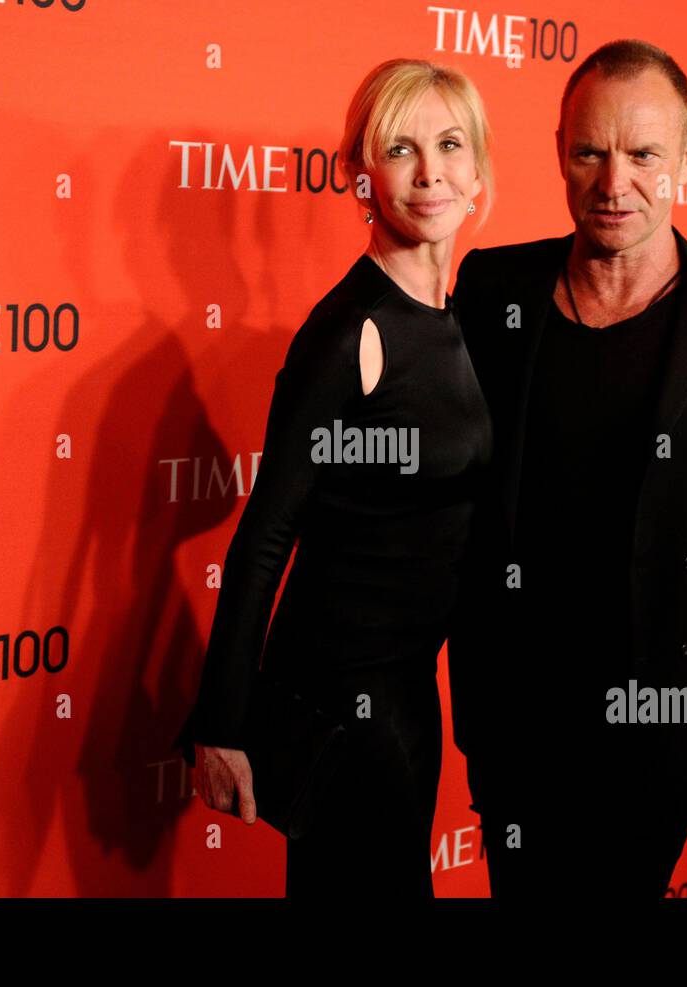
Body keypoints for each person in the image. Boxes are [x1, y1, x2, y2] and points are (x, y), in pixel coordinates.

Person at [449, 39, 687, 899]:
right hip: (517, 724)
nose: (614, 184)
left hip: (660, 724)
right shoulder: (493, 286)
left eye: (644, 153)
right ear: (560, 152)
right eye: (590, 152)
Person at [172, 58, 494, 897]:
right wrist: (222, 723)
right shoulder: (349, 332)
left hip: (411, 694)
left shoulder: (462, 322)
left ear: (480, 172)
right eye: (401, 149)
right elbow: (266, 533)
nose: (430, 171)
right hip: (340, 698)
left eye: (450, 145)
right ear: (361, 176)